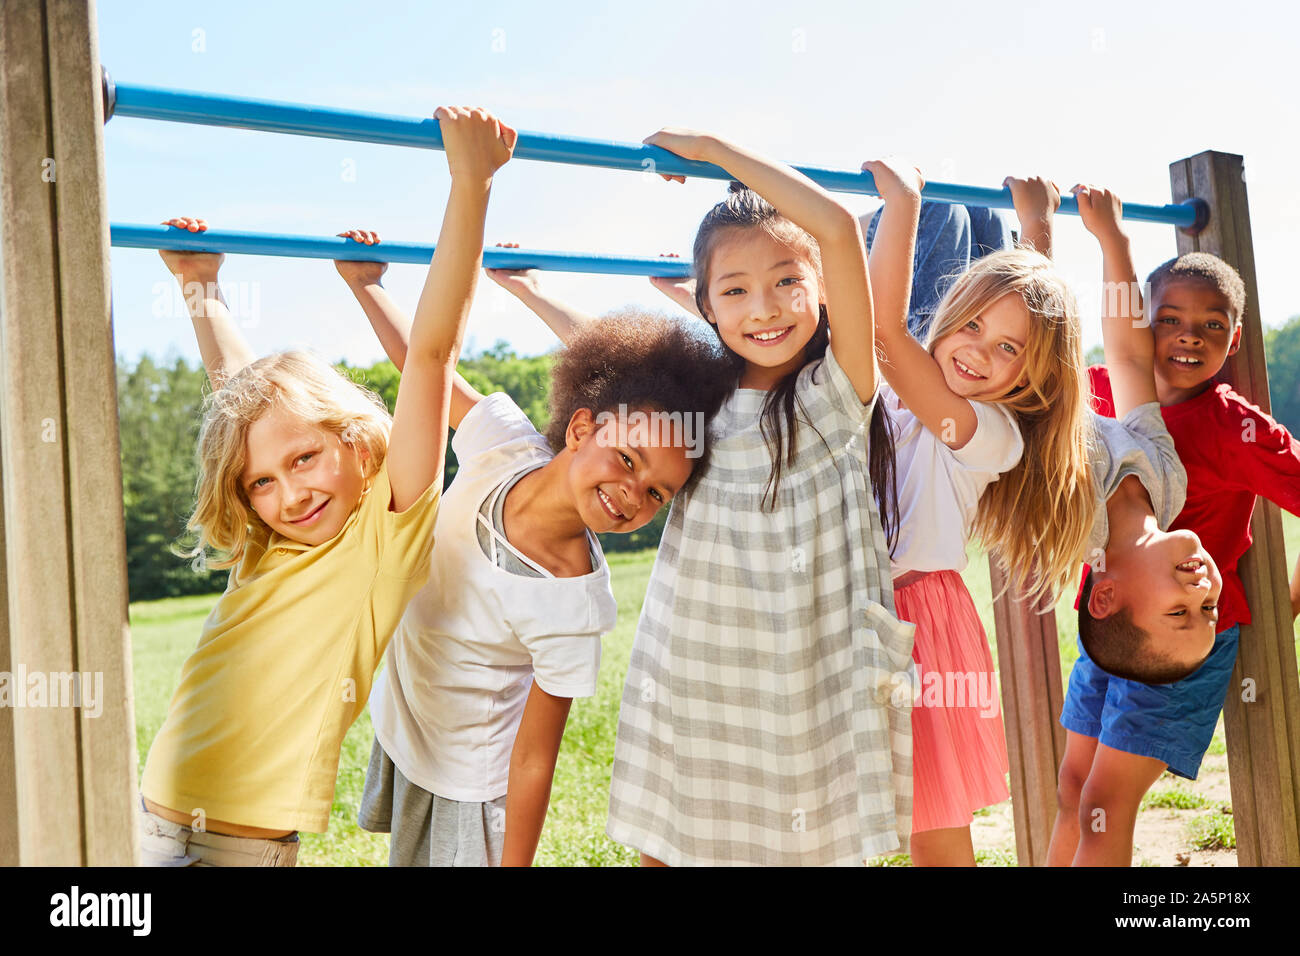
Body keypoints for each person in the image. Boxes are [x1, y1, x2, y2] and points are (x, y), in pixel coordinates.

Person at [136, 106, 516, 866]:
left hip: (234, 848)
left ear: (353, 437)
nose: (288, 493)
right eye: (263, 482)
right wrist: (202, 290)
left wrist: (469, 181)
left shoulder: (384, 533)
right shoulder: (266, 544)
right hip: (146, 819)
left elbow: (433, 357)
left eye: (305, 459)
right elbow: (241, 396)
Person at [333, 231, 734, 866]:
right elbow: (426, 365)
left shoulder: (573, 602)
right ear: (582, 427)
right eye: (628, 459)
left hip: (472, 778)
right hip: (411, 719)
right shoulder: (505, 443)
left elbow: (534, 756)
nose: (633, 493)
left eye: (657, 493)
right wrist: (366, 283)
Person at [601, 127, 914, 866]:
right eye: (735, 291)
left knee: (815, 838)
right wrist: (526, 290)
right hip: (705, 658)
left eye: (786, 282)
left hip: (815, 662)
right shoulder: (696, 407)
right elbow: (600, 356)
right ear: (705, 306)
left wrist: (717, 152)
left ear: (824, 290)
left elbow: (836, 229)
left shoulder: (836, 392)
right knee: (676, 836)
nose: (764, 307)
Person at [863, 161, 1094, 865]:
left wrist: (902, 205)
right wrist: (1036, 228)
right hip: (863, 606)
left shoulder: (990, 430)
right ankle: (986, 229)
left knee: (930, 826)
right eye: (968, 326)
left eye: (1005, 350)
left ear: (1029, 373)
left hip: (917, 625)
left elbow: (884, 335)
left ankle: (930, 212)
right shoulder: (909, 393)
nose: (978, 351)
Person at [1053, 210, 1300, 866]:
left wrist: (1291, 598)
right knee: (1073, 790)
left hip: (1184, 638)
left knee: (1105, 803)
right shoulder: (1108, 394)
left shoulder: (1231, 426)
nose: (1190, 338)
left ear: (1235, 337)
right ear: (1145, 321)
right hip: (1109, 622)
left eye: (1212, 326)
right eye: (1170, 320)